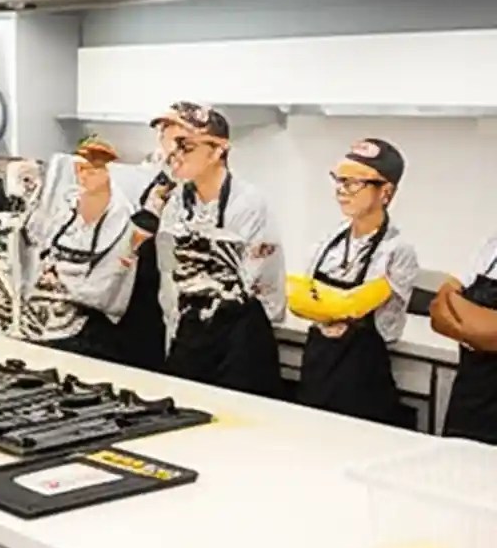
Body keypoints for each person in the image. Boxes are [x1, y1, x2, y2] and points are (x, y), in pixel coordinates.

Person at [156, 104, 286, 397]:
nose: (173, 156)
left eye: (185, 146)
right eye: (168, 145)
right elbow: (168, 278)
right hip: (189, 334)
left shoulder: (249, 204)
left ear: (218, 151)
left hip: (239, 341)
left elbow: (264, 285)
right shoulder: (175, 205)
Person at [288, 140, 417, 426]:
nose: (342, 189)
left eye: (354, 182)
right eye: (339, 180)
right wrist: (331, 306)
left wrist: (326, 303)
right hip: (318, 368)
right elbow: (297, 299)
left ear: (386, 192)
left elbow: (355, 306)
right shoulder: (328, 241)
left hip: (362, 380)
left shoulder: (397, 250)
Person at [22, 136, 137, 361]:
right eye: (81, 169)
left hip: (88, 325)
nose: (85, 176)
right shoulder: (67, 208)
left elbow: (108, 288)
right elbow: (41, 247)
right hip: (43, 315)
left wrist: (66, 289)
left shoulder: (123, 220)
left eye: (94, 170)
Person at [115, 103, 196, 371]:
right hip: (140, 312)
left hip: (186, 318)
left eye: (177, 137)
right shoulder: (152, 183)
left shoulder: (202, 194)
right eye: (163, 134)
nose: (168, 145)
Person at [433, 234, 497, 443]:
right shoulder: (491, 247)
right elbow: (438, 309)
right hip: (469, 392)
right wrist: (477, 329)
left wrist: (461, 318)